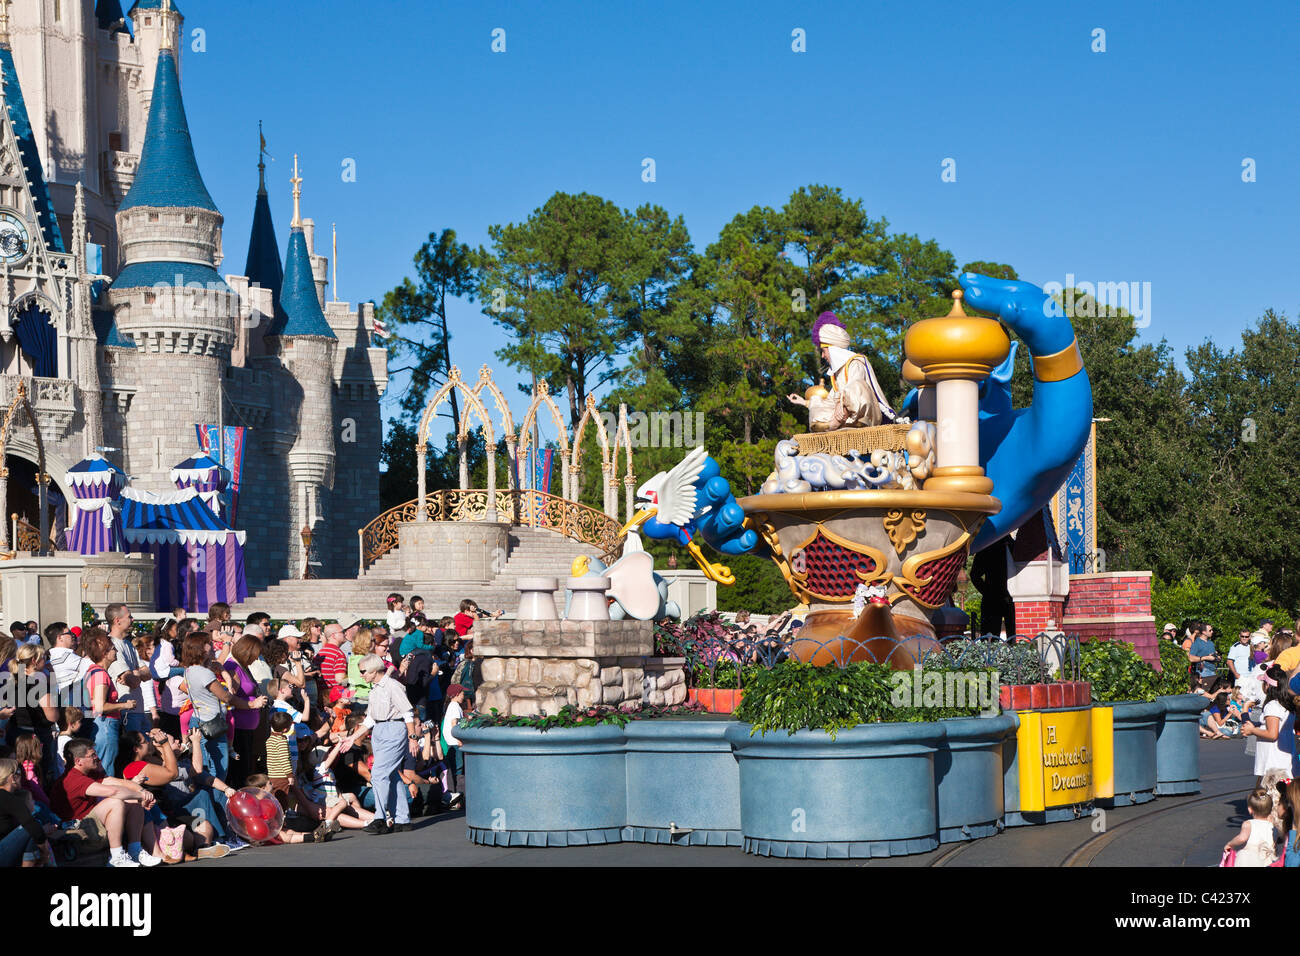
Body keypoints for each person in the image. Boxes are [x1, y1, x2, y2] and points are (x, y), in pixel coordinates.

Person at [340, 654, 420, 834]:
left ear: (374, 670)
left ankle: (380, 817)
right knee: (391, 776)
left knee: (378, 773)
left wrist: (412, 737)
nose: (361, 675)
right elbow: (370, 719)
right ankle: (402, 818)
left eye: (363, 671)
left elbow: (407, 712)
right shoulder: (375, 689)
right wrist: (353, 737)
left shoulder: (393, 686)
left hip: (394, 728)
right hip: (379, 731)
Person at [51, 738, 161, 867]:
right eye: (92, 755)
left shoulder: (88, 773)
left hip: (90, 826)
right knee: (115, 802)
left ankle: (134, 850)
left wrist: (142, 792)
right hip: (76, 832)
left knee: (131, 800)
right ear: (78, 761)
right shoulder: (73, 779)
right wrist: (142, 796)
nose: (97, 757)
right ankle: (116, 856)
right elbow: (113, 791)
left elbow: (119, 783)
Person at [181, 632, 265, 784]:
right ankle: (216, 803)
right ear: (200, 648)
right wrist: (251, 704)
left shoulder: (191, 670)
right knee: (218, 770)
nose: (212, 645)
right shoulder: (204, 673)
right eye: (208, 643)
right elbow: (226, 697)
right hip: (211, 724)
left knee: (208, 766)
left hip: (203, 720)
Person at [81, 629, 135, 779]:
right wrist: (125, 705)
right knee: (105, 768)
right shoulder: (100, 674)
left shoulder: (93, 672)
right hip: (105, 726)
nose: (116, 651)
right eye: (112, 648)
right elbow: (100, 707)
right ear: (104, 653)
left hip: (100, 725)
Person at [6, 644, 58, 778]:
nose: (45, 662)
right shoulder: (36, 684)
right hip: (34, 738)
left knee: (19, 775)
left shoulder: (11, 680)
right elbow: (52, 715)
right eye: (44, 659)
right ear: (34, 660)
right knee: (37, 776)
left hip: (14, 733)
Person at [224, 635, 268, 787]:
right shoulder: (232, 667)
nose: (255, 660)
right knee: (240, 773)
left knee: (246, 770)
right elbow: (229, 697)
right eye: (254, 656)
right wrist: (252, 704)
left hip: (247, 728)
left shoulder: (243, 666)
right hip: (238, 729)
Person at [1243, 664, 1294, 783]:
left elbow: (1272, 734)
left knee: (1270, 795)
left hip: (1273, 760)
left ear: (1267, 686)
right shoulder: (1286, 704)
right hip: (1283, 757)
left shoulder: (1272, 706)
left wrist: (1252, 730)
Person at [0, 758, 54, 868]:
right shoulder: (7, 798)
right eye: (19, 772)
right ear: (12, 778)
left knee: (32, 836)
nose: (22, 776)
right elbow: (33, 827)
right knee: (32, 829)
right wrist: (45, 853)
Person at [105, 604, 150, 734]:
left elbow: (148, 673)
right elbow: (131, 681)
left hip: (138, 708)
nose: (132, 619)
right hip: (126, 710)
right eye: (129, 616)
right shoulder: (111, 645)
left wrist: (136, 672)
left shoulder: (128, 644)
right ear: (117, 621)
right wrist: (136, 674)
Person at [151, 620, 187, 739]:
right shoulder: (167, 644)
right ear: (168, 630)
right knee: (186, 671)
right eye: (175, 629)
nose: (177, 632)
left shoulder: (160, 643)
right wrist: (181, 664)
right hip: (165, 671)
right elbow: (171, 661)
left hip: (162, 673)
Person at [1224, 788, 1277, 867]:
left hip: (1249, 860)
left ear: (1250, 809)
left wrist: (1230, 844)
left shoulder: (1249, 824)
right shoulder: (1272, 824)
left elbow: (1242, 838)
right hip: (1267, 858)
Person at [45, 623, 89, 712]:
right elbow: (97, 666)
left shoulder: (51, 658)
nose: (72, 636)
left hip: (62, 707)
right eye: (69, 633)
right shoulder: (66, 657)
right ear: (60, 638)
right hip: (72, 710)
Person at [440, 683, 467, 806]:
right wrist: (459, 738)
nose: (464, 696)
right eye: (462, 693)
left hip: (452, 743)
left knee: (456, 769)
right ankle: (461, 797)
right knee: (459, 770)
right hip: (455, 743)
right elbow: (454, 723)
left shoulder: (452, 706)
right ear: (456, 694)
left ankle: (457, 797)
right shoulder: (455, 706)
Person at [315, 623, 349, 702]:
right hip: (335, 698)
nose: (345, 634)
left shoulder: (321, 652)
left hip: (321, 697)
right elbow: (340, 680)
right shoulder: (338, 654)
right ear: (333, 635)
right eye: (342, 632)